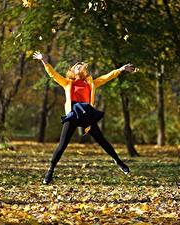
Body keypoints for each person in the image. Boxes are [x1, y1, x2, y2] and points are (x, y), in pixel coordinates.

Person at [33, 51, 139, 184]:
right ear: (72, 70)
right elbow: (53, 74)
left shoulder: (91, 83)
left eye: (81, 66)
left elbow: (106, 77)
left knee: (102, 140)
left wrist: (120, 69)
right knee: (62, 145)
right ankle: (50, 171)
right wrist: (44, 61)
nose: (79, 67)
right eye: (77, 66)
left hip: (86, 116)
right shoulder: (67, 83)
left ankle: (118, 161)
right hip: (72, 115)